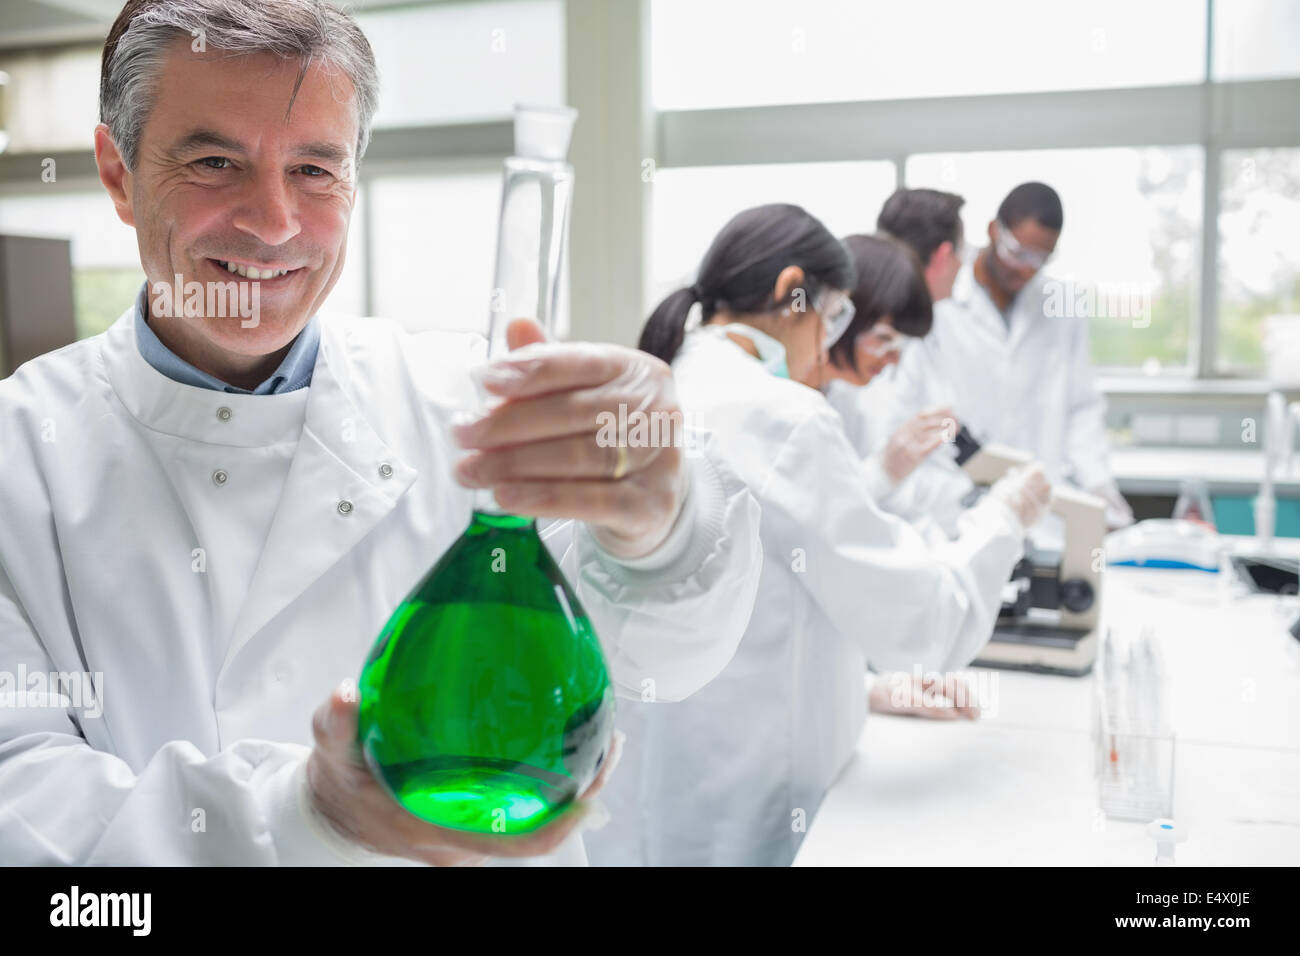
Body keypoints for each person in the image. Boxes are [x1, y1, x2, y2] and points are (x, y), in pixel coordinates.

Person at [0, 0, 764, 867]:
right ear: (118, 173)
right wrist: (300, 818)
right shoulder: (20, 454)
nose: (275, 222)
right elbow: (19, 802)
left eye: (315, 170)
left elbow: (662, 656)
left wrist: (662, 532)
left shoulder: (467, 408)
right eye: (215, 162)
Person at [583, 204, 1050, 867]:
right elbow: (919, 624)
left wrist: (859, 688)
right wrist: (1003, 519)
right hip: (742, 803)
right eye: (834, 318)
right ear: (791, 291)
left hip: (649, 796)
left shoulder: (655, 386)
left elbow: (755, 611)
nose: (827, 342)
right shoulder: (782, 414)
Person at [884, 181, 1134, 531]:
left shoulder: (1061, 306)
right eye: (1018, 252)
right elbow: (916, 408)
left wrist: (1097, 485)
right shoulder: (942, 300)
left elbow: (1082, 406)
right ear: (992, 231)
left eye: (1040, 258)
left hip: (1041, 507)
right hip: (958, 504)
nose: (1027, 269)